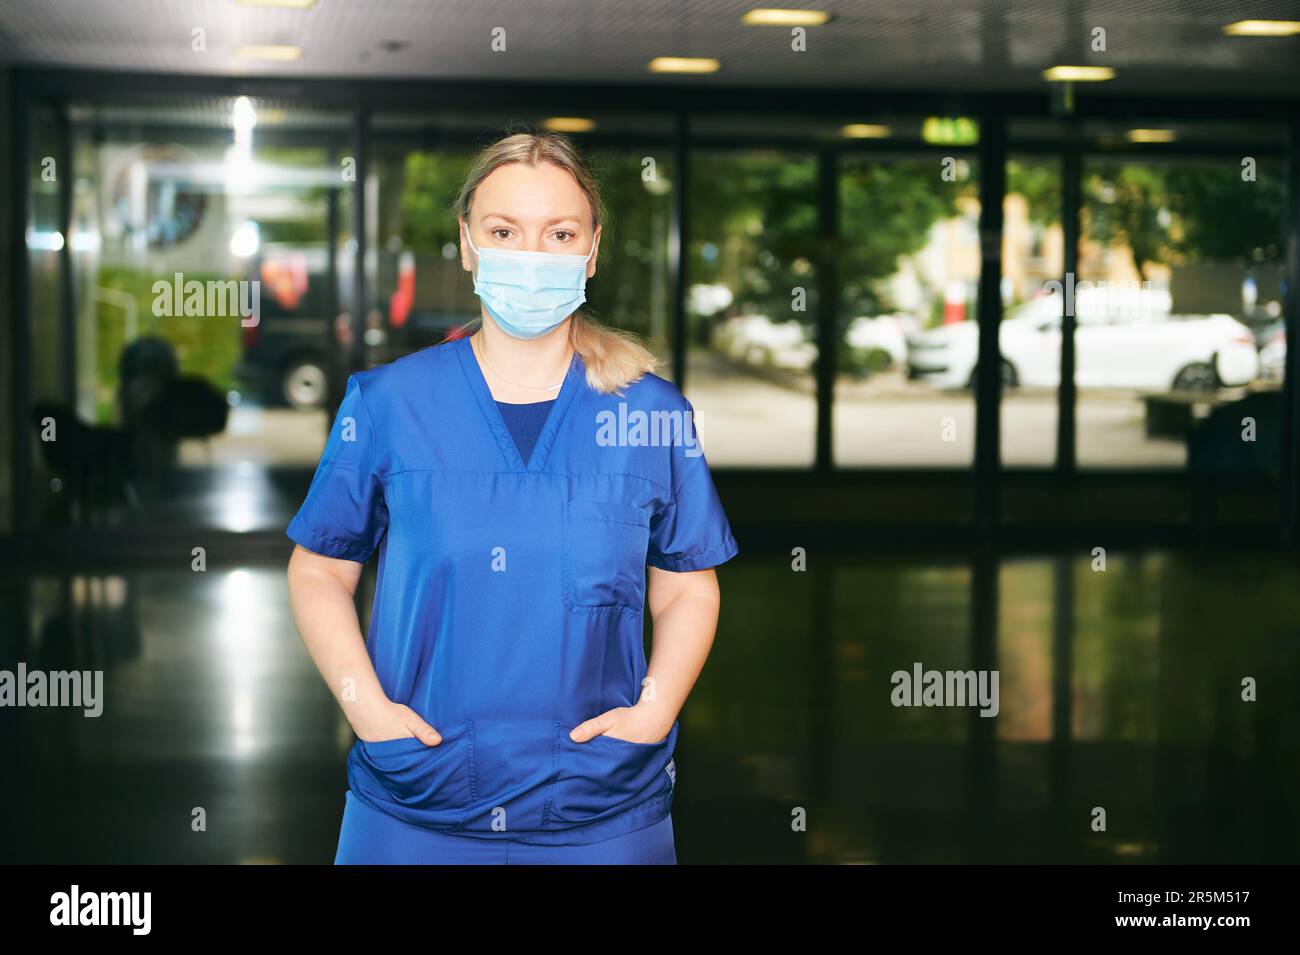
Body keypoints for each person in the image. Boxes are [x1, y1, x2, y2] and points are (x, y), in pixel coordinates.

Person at [285, 130, 739, 864]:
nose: (531, 255)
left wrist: (653, 713)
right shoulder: (388, 403)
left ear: (591, 251)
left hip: (601, 810)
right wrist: (368, 712)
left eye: (559, 233)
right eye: (504, 231)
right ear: (467, 244)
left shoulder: (650, 414)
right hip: (416, 804)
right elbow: (319, 570)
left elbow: (688, 588)